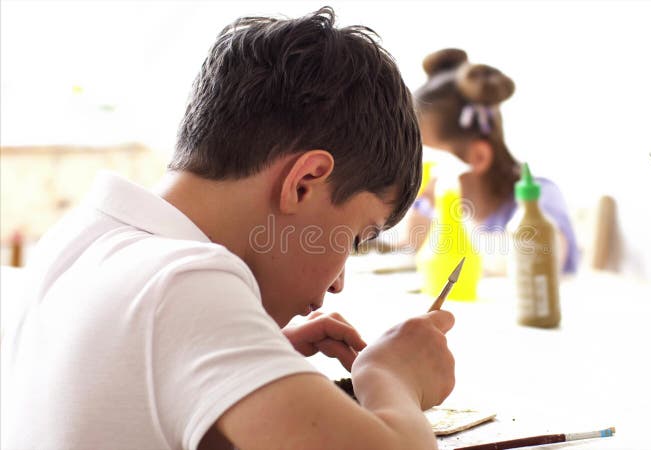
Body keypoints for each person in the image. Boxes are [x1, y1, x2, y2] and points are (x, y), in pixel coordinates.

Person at [0, 8, 455, 450]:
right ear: (304, 183)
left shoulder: (83, 238)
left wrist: (251, 362)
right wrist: (393, 377)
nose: (337, 283)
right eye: (356, 237)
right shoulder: (185, 285)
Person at [408, 48, 579, 274]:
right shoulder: (447, 210)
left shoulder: (537, 196)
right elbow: (412, 246)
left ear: (478, 157)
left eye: (429, 160)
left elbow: (545, 251)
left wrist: (453, 239)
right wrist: (422, 203)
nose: (417, 172)